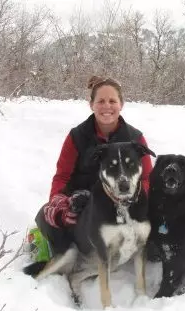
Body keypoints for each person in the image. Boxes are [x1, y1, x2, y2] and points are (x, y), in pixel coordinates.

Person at [30, 76, 153, 259]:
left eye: (112, 101)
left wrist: (138, 200)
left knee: (154, 243)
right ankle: (47, 240)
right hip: (82, 204)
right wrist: (59, 202)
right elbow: (62, 176)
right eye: (101, 101)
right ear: (91, 105)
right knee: (49, 216)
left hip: (123, 202)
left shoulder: (135, 138)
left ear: (121, 104)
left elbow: (146, 178)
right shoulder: (77, 136)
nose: (107, 106)